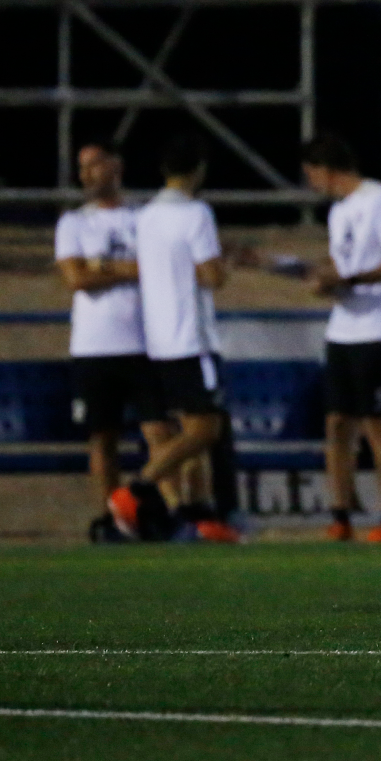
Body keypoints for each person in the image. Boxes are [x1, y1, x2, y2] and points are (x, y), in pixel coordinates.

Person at [107, 134, 239, 544]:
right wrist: (226, 262)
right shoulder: (196, 212)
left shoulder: (145, 215)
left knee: (193, 430)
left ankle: (198, 515)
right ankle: (137, 490)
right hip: (191, 338)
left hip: (158, 340)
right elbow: (211, 275)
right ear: (198, 169)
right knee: (205, 431)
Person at [301, 132, 381, 544]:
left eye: (311, 174)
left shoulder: (380, 199)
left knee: (379, 423)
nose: (311, 183)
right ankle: (340, 515)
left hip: (378, 329)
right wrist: (328, 283)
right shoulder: (340, 212)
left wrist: (351, 278)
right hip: (343, 328)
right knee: (337, 423)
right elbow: (344, 267)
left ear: (324, 168)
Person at [56, 143, 175, 541]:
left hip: (145, 345)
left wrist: (102, 266)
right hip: (93, 346)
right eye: (81, 167)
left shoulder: (143, 217)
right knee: (103, 438)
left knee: (160, 434)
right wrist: (127, 269)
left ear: (116, 167)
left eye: (93, 165)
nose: (86, 174)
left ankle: (167, 513)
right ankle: (114, 519)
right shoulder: (73, 223)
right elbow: (76, 279)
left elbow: (157, 268)